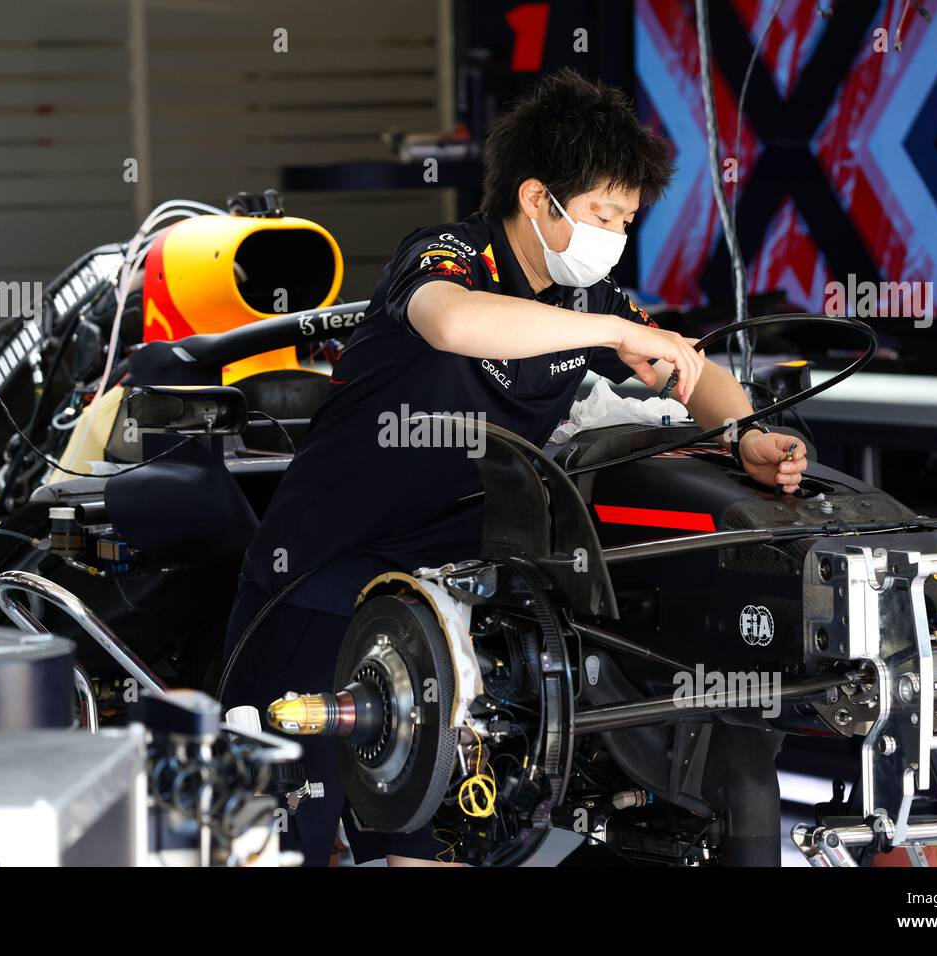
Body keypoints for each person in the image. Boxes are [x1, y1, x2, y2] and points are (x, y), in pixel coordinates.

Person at [217, 68, 807, 867]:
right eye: (603, 214)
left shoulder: (589, 300)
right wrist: (608, 336)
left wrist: (744, 436)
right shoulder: (445, 257)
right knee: (283, 843)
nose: (616, 236)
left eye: (628, 220)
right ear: (538, 199)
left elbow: (689, 370)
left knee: (427, 846)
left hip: (438, 614)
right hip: (315, 586)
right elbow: (456, 322)